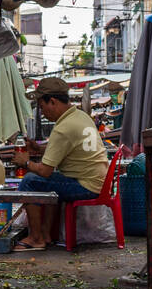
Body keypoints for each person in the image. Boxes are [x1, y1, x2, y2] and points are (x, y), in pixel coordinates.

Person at [10, 77, 108, 250]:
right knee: (51, 183)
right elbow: (63, 148)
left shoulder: (63, 127)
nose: (42, 112)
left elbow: (45, 171)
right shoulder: (80, 116)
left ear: (52, 101)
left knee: (29, 181)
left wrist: (25, 162)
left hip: (86, 186)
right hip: (97, 181)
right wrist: (39, 149)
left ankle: (36, 238)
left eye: (42, 107)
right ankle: (46, 235)